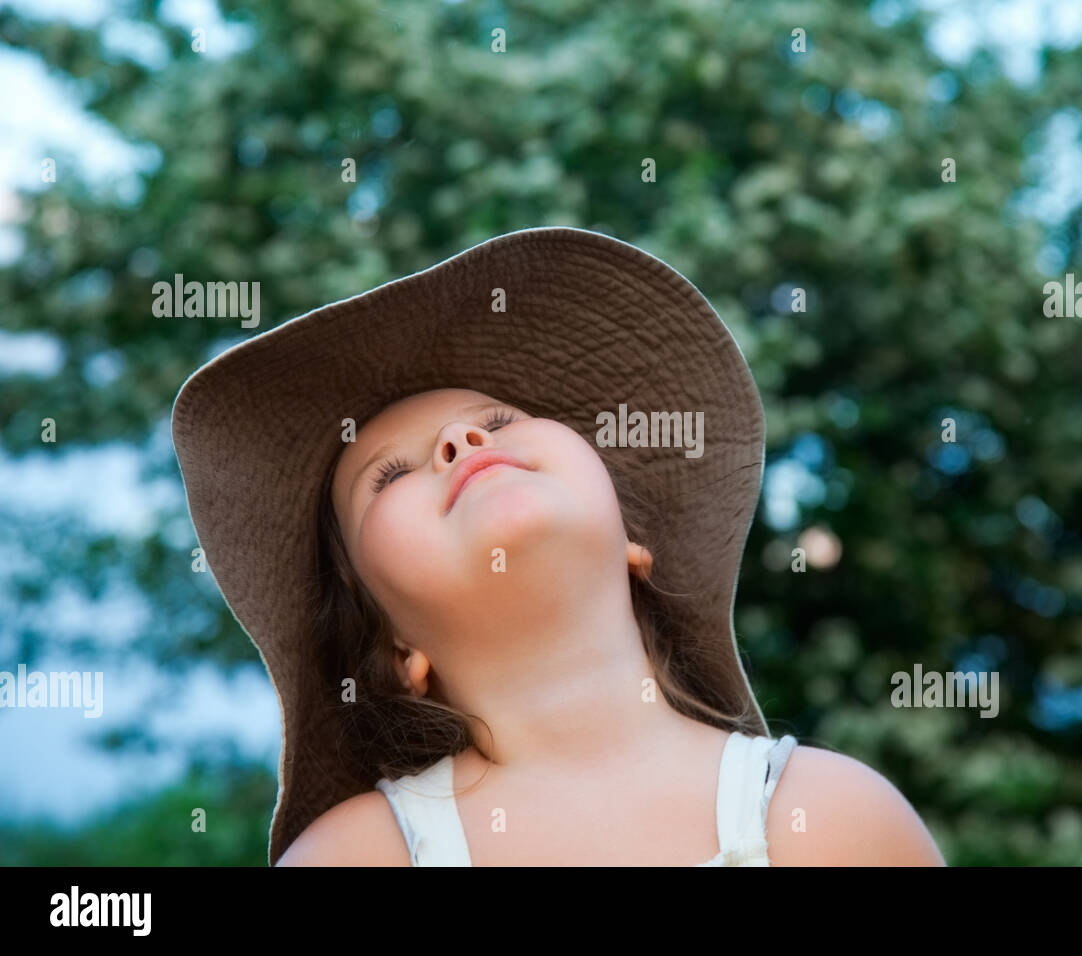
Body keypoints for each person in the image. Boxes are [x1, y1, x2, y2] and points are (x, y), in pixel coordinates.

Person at [171, 226, 945, 866]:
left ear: (633, 543)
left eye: (500, 421)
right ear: (393, 645)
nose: (461, 438)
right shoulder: (358, 857)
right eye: (392, 474)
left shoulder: (829, 817)